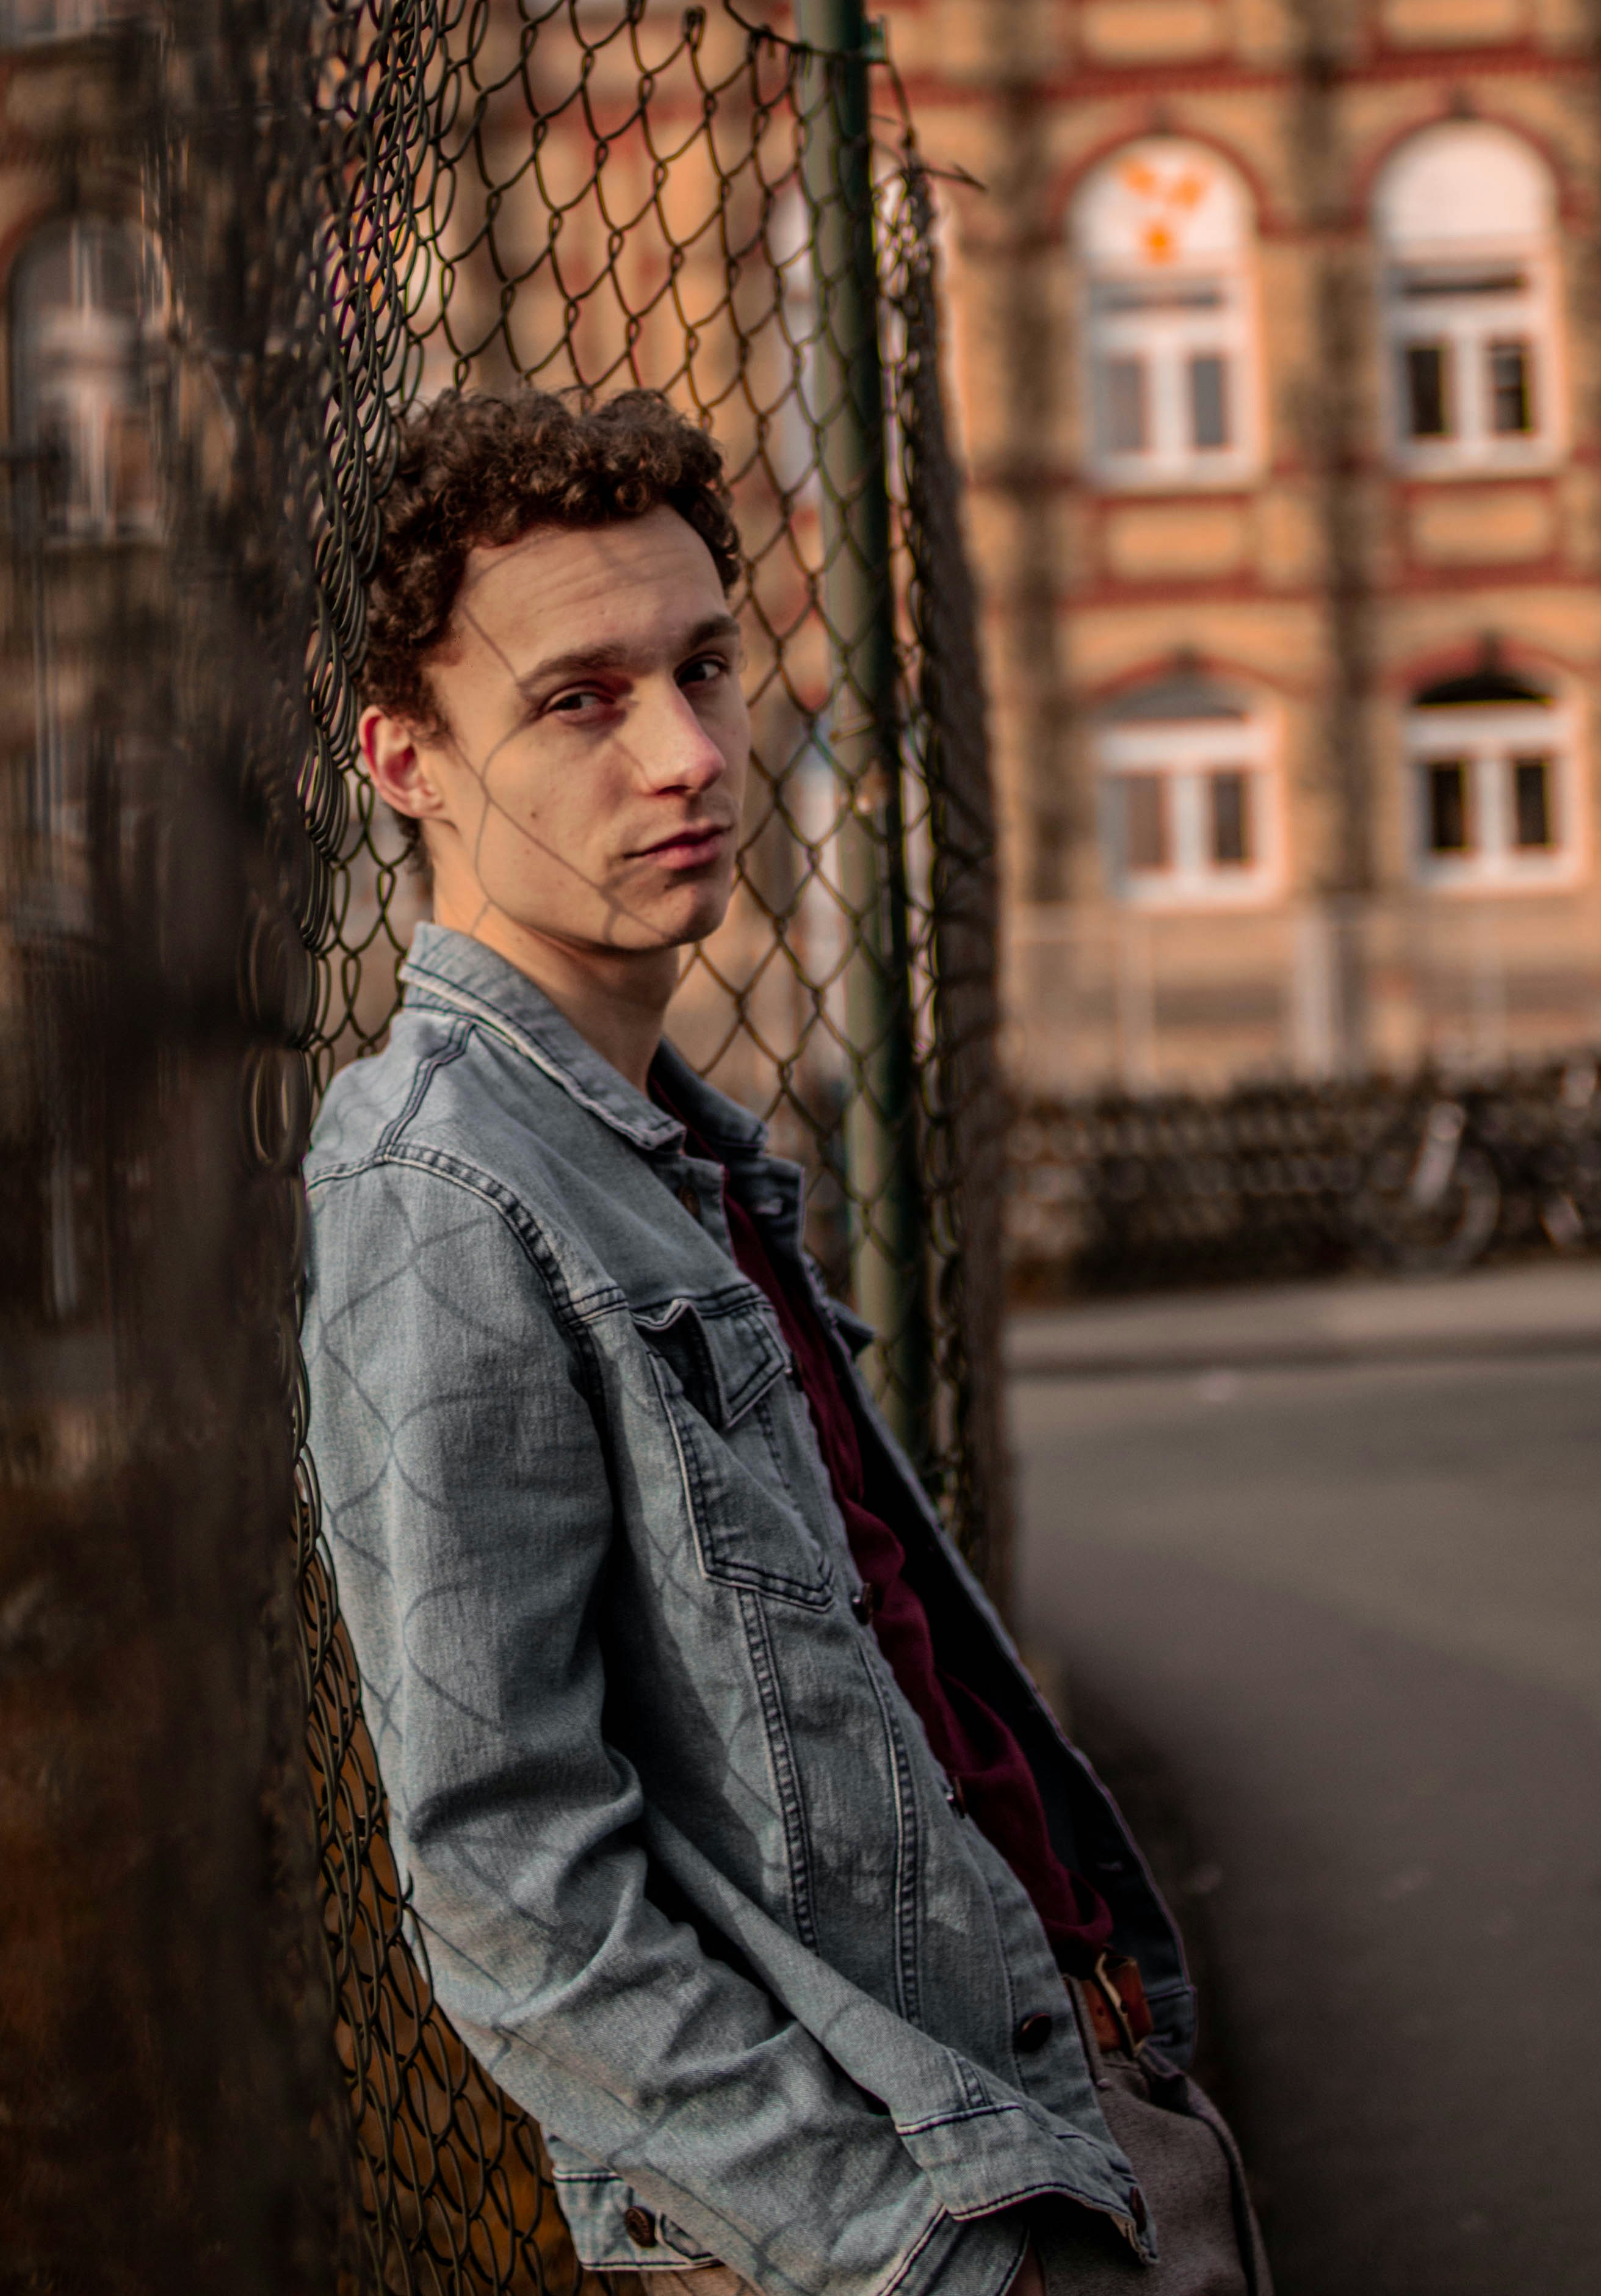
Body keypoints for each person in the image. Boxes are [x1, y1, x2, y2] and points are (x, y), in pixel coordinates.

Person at [302, 388, 1269, 2296]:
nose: (687, 754)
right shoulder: (443, 1189)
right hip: (917, 2209)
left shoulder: (679, 1148)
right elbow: (507, 1875)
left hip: (1070, 2102)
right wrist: (895, 2247)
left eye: (708, 667)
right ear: (405, 758)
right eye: (577, 698)